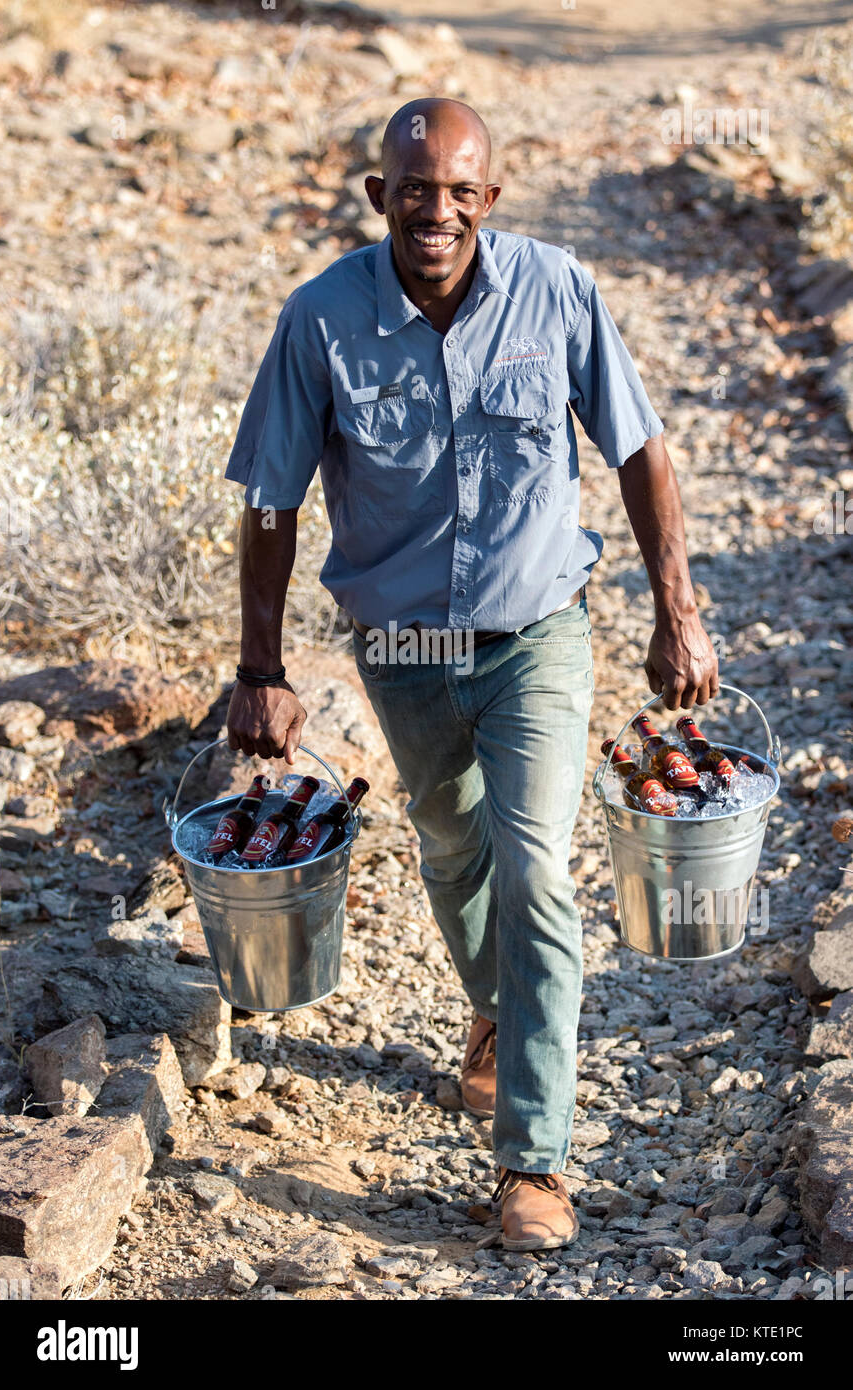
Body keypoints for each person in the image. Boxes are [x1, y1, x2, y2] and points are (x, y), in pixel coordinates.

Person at [223, 97, 718, 1251]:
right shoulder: (321, 321)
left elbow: (640, 447)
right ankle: (496, 1014)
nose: (434, 212)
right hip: (402, 653)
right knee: (452, 847)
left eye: (458, 191)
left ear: (488, 200)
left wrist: (675, 613)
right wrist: (258, 666)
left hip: (537, 632)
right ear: (377, 197)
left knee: (536, 867)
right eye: (412, 189)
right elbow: (269, 497)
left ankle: (531, 1166)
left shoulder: (555, 292)